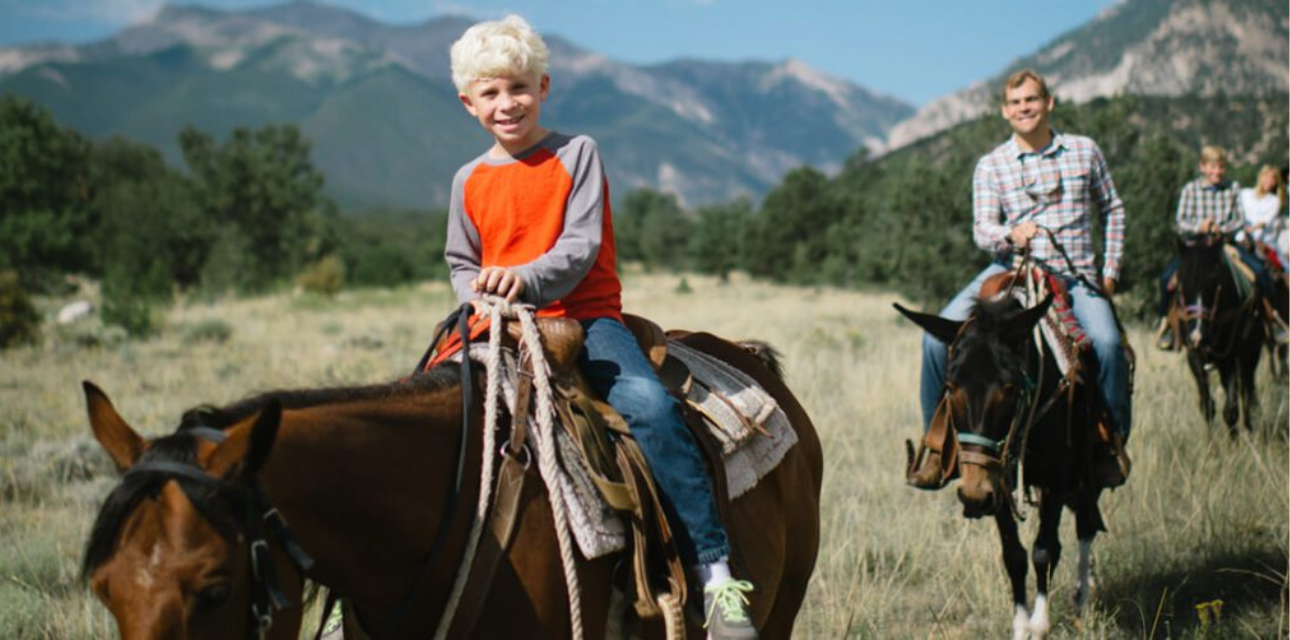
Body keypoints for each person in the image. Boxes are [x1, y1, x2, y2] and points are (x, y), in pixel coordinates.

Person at [443, 16, 757, 638]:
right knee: (423, 414)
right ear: (468, 102)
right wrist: (480, 295)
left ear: (544, 86)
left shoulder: (575, 153)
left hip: (583, 318)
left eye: (519, 89)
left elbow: (579, 246)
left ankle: (716, 573)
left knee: (650, 407)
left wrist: (523, 279)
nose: (507, 105)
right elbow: (460, 261)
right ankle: (371, 591)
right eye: (491, 93)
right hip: (496, 321)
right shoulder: (467, 180)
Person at [908, 69, 1131, 490]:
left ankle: (1109, 441)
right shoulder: (992, 164)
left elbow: (1113, 209)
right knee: (935, 337)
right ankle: (938, 446)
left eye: (1031, 100)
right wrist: (1010, 234)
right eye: (1015, 103)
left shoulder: (1084, 151)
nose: (1023, 108)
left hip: (1075, 274)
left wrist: (1110, 272)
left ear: (1049, 103)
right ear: (1004, 111)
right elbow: (982, 228)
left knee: (1108, 344)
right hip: (1010, 270)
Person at [1154, 147, 1285, 349]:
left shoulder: (1232, 188)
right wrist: (1200, 226)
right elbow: (1180, 222)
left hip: (1224, 245)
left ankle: (1272, 318)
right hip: (1196, 247)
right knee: (1166, 278)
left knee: (1259, 272)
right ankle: (1165, 323)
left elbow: (1239, 220)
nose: (1218, 171)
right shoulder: (1191, 189)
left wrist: (1220, 229)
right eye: (1213, 167)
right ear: (1203, 167)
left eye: (1221, 167)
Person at [1239, 164, 1288, 267]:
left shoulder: (1275, 201)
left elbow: (1265, 222)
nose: (1269, 182)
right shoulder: (1245, 193)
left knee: (1284, 266)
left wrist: (1250, 230)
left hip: (1263, 239)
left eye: (1273, 179)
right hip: (1241, 235)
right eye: (1267, 177)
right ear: (1261, 177)